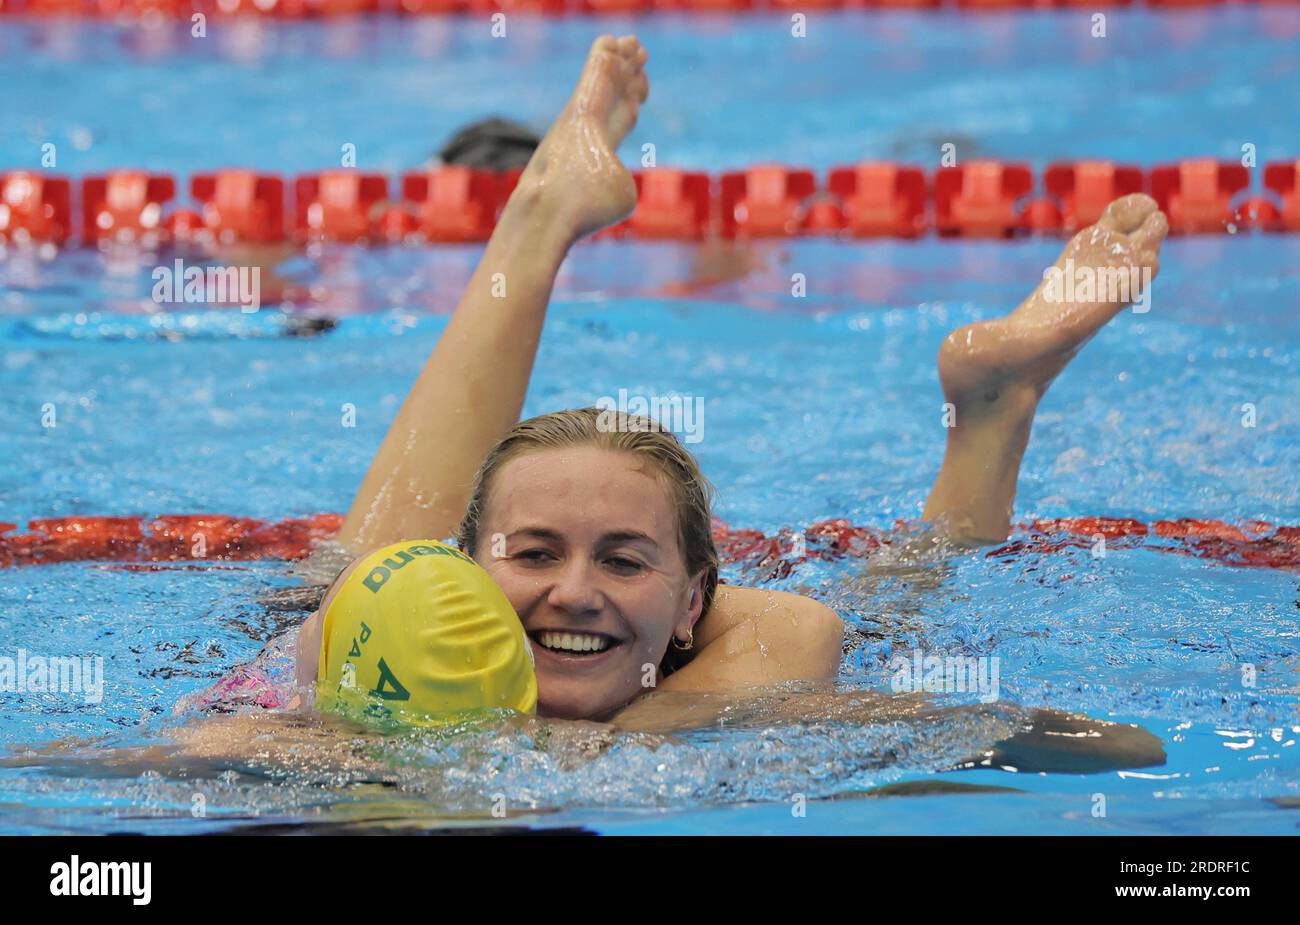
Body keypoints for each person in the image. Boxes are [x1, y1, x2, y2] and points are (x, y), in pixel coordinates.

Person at [163, 33, 1166, 772]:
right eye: (536, 553)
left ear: (695, 602)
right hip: (397, 631)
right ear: (469, 571)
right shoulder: (343, 673)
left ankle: (995, 411)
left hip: (698, 665)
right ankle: (540, 215)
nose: (575, 590)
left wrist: (586, 742)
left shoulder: (752, 652)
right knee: (353, 575)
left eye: (622, 559)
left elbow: (1100, 743)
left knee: (877, 614)